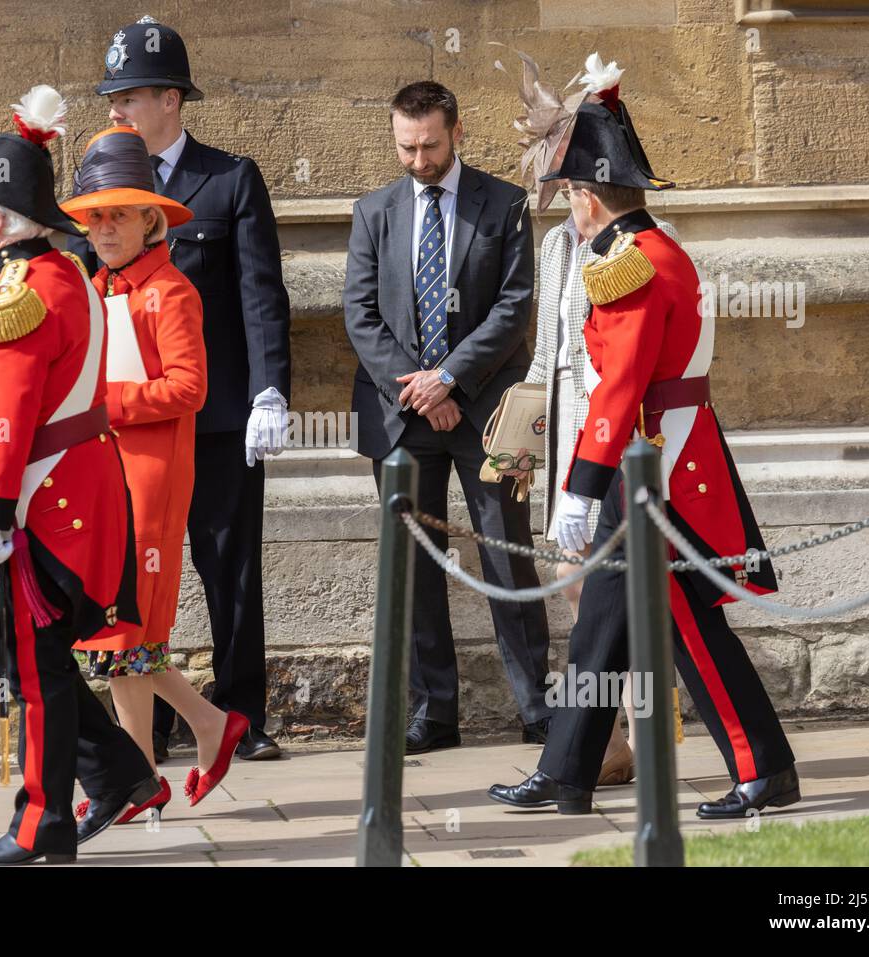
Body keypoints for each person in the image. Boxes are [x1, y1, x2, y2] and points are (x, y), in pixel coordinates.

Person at [487, 61, 800, 819]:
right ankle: (566, 770)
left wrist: (578, 490)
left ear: (589, 199)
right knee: (603, 622)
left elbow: (618, 388)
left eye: (570, 192)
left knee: (692, 630)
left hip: (651, 467)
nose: (567, 204)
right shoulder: (654, 251)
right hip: (658, 460)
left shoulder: (625, 267)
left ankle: (764, 769)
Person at [0, 85, 160, 865]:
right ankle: (123, 773)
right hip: (76, 500)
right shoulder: (61, 271)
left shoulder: (16, 294)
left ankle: (41, 825)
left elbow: (8, 417)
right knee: (42, 663)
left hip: (41, 505)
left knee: (31, 671)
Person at [70, 18, 291, 762]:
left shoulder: (229, 178)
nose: (118, 110)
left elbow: (261, 294)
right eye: (111, 97)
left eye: (130, 95)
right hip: (128, 435)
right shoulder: (103, 184)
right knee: (134, 578)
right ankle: (154, 729)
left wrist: (272, 392)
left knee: (228, 567)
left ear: (171, 99)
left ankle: (241, 712)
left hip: (218, 412)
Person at [344, 80, 553, 754]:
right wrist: (419, 391)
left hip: (487, 412)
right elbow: (360, 314)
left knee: (507, 556)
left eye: (430, 145)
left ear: (456, 132)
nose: (418, 159)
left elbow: (514, 306)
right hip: (400, 417)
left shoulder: (506, 204)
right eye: (406, 146)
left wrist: (451, 380)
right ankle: (433, 712)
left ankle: (536, 706)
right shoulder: (373, 211)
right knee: (415, 565)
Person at [61, 126, 251, 822]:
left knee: (125, 631)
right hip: (105, 480)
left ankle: (156, 762)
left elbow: (189, 388)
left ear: (150, 217)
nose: (102, 227)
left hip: (148, 485)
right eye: (93, 216)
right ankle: (175, 747)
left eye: (116, 214)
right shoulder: (95, 284)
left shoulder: (168, 290)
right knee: (122, 635)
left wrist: (102, 402)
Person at [512, 53, 682, 786]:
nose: (565, 194)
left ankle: (647, 738)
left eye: (571, 180)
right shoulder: (557, 247)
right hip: (567, 434)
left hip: (618, 435)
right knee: (582, 598)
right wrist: (517, 439)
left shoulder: (639, 245)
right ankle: (603, 742)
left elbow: (631, 366)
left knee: (624, 604)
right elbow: (546, 350)